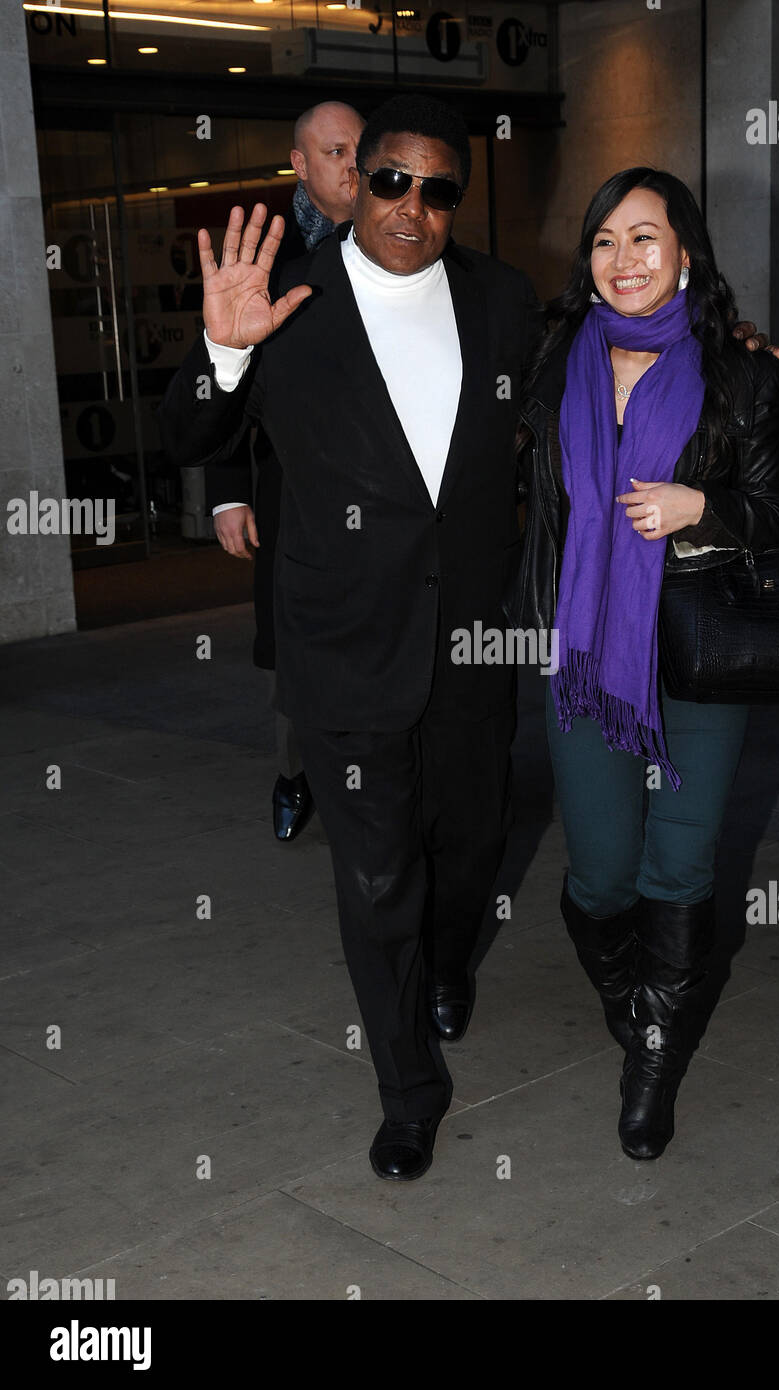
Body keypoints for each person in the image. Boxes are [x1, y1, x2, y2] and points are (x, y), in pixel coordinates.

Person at [160, 95, 541, 1181]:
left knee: (470, 843)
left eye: (438, 188)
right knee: (375, 879)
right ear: (353, 182)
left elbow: (576, 391)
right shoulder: (290, 300)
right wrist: (220, 354)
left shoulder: (505, 299)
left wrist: (726, 346)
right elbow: (190, 432)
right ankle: (407, 1088)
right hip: (345, 643)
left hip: (471, 642)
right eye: (390, 181)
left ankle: (447, 965)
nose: (412, 207)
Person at [507, 167, 779, 1161]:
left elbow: (774, 518)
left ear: (684, 254)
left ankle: (650, 1069)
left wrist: (699, 507)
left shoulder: (745, 375)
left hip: (697, 652)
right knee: (596, 877)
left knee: (680, 862)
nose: (622, 259)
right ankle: (636, 997)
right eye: (603, 241)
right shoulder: (552, 355)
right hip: (583, 652)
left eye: (644, 238)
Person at [204, 101, 365, 843]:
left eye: (361, 149)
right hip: (288, 494)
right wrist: (229, 492)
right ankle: (295, 774)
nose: (353, 165)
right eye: (335, 151)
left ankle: (372, 779)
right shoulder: (264, 252)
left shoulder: (400, 239)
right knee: (292, 655)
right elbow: (217, 377)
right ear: (298, 163)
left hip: (382, 495)